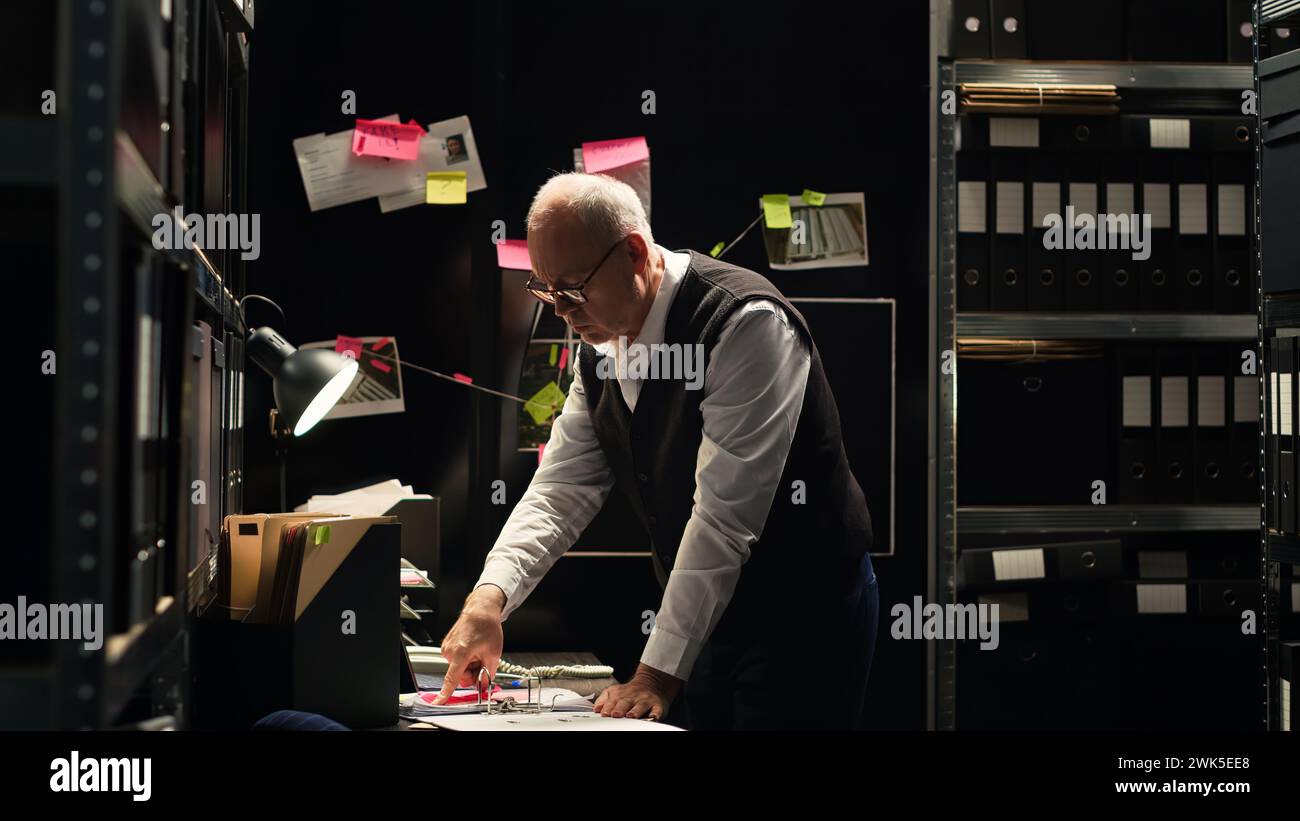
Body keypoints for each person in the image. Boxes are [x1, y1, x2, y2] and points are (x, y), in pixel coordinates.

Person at [435, 173, 878, 729]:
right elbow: (561, 487)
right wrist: (489, 598)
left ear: (635, 253)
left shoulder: (745, 324)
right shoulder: (601, 339)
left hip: (803, 613)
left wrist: (656, 674)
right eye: (545, 290)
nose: (560, 312)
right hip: (704, 613)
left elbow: (723, 520)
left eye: (572, 288)